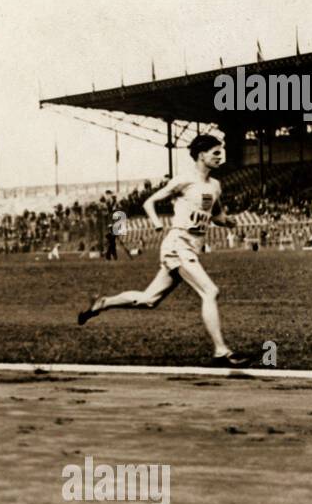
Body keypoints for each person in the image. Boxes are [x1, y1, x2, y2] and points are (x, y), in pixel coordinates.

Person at [76, 134, 250, 368]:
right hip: (177, 244)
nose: (221, 157)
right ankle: (221, 351)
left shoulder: (215, 185)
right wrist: (157, 222)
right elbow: (149, 202)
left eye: (221, 152)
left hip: (190, 248)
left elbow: (215, 214)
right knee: (210, 291)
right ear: (201, 155)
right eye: (215, 152)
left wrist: (227, 221)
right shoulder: (184, 180)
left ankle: (103, 303)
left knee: (149, 300)